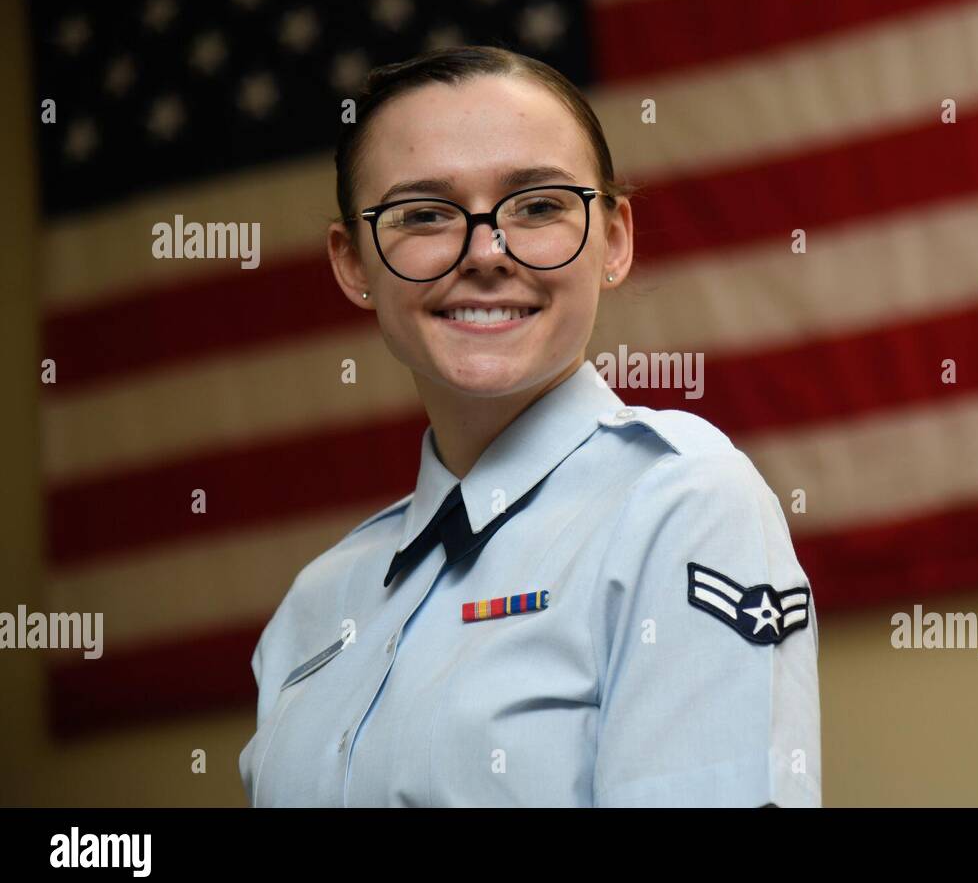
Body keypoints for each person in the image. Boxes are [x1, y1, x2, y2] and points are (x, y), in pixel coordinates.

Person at [237, 45, 821, 807]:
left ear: (614, 240)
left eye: (539, 206)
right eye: (424, 214)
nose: (486, 253)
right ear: (353, 265)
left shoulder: (681, 505)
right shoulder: (317, 604)